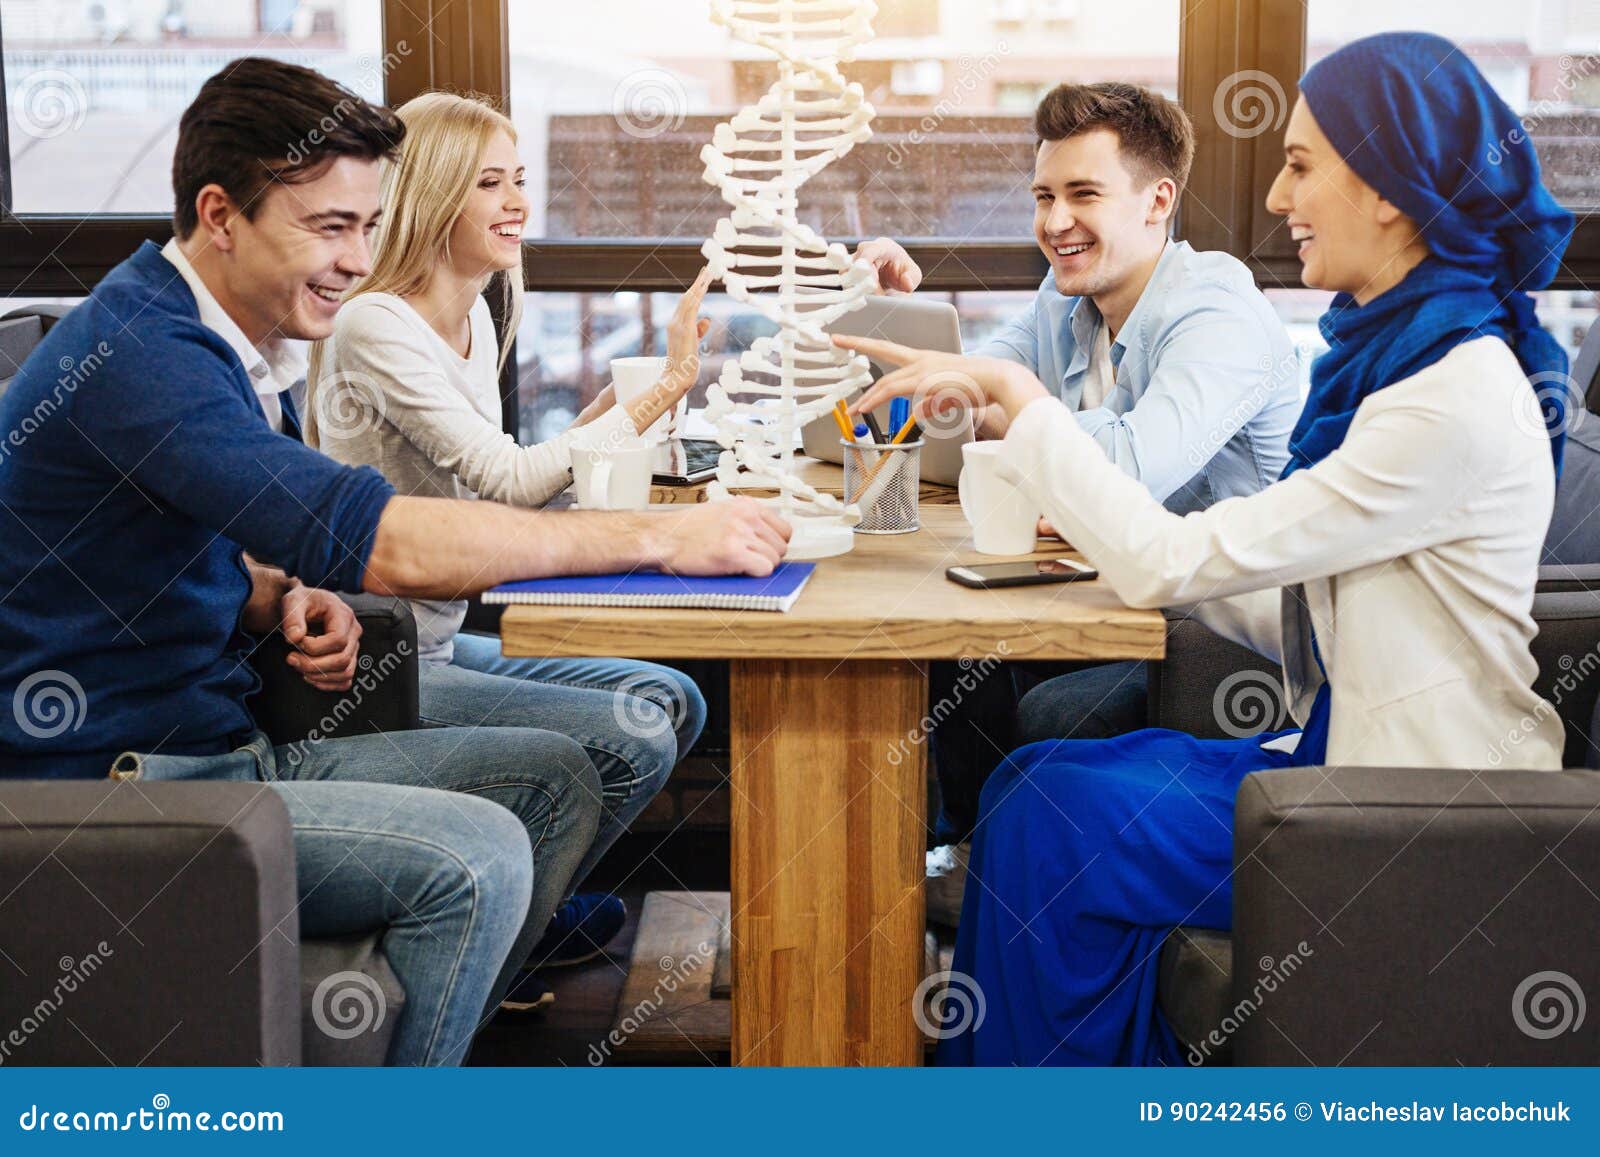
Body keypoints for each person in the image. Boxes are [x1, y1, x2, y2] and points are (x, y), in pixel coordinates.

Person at [0, 59, 789, 1056]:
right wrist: (660, 536)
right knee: (479, 855)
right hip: (124, 783)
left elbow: (171, 540)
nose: (357, 259)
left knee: (568, 771)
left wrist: (272, 595)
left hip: (222, 731)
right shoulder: (145, 356)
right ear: (220, 215)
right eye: (331, 228)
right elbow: (387, 543)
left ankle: (440, 1044)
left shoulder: (229, 339)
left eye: (369, 227)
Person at [836, 31, 1571, 1064]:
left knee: (1049, 817)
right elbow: (1292, 596)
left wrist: (1031, 413)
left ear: (1390, 192)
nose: (1276, 196)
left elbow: (1169, 561)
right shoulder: (1403, 364)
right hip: (1341, 753)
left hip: (1409, 805)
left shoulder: (1446, 397)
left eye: (1301, 165)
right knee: (1029, 778)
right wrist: (1125, 547)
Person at [854, 82, 1301, 918]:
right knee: (953, 641)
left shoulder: (1219, 312)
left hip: (1227, 630)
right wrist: (890, 321)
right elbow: (972, 405)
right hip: (1107, 589)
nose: (1055, 221)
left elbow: (1125, 470)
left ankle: (1017, 890)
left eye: (1083, 194)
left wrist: (1009, 402)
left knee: (1055, 707)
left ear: (1157, 201)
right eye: (1043, 196)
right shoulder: (1067, 299)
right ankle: (971, 866)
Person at [305, 91, 712, 988]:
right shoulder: (375, 323)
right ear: (433, 194)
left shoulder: (476, 313)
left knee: (672, 697)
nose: (518, 201)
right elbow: (512, 482)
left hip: (443, 636)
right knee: (635, 735)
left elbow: (512, 476)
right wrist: (664, 387)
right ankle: (513, 945)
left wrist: (629, 400)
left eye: (519, 180)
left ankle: (536, 897)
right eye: (490, 183)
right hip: (383, 659)